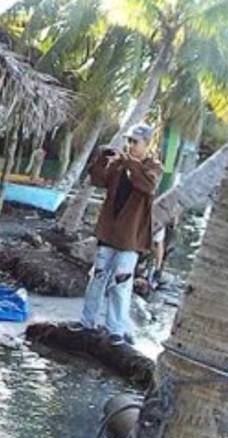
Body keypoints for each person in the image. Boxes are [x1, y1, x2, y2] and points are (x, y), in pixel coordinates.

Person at [69, 123, 162, 345]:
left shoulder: (153, 166)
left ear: (147, 145)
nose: (130, 146)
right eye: (128, 141)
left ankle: (115, 331)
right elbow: (98, 179)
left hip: (130, 240)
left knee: (121, 284)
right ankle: (87, 322)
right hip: (109, 234)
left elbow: (147, 185)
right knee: (97, 279)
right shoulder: (119, 165)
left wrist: (128, 161)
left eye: (135, 142)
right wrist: (102, 158)